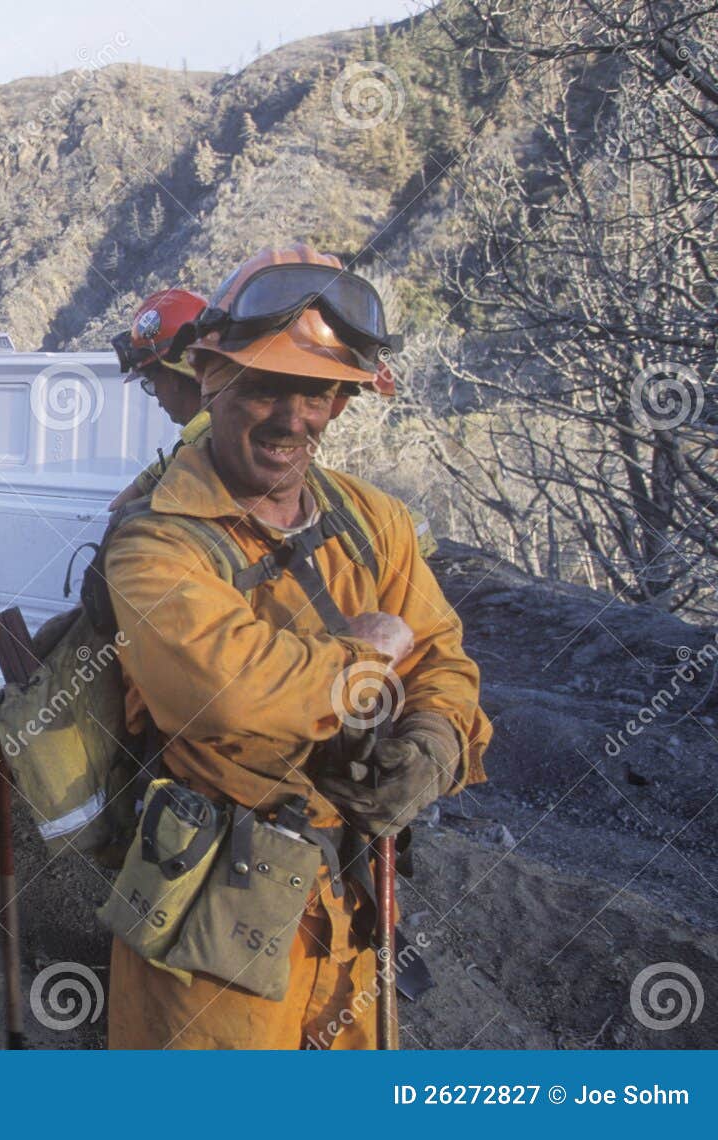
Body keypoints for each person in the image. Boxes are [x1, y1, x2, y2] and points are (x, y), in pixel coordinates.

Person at [101, 245, 491, 1049]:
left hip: (349, 908)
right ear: (213, 379)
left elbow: (442, 654)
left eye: (317, 392)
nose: (292, 418)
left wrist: (433, 740)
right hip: (212, 915)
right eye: (265, 387)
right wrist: (362, 660)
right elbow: (227, 687)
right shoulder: (154, 543)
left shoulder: (372, 519)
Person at [109, 288, 210, 511]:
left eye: (152, 383)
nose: (157, 399)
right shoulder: (201, 437)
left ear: (173, 376)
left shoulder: (209, 451)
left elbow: (118, 509)